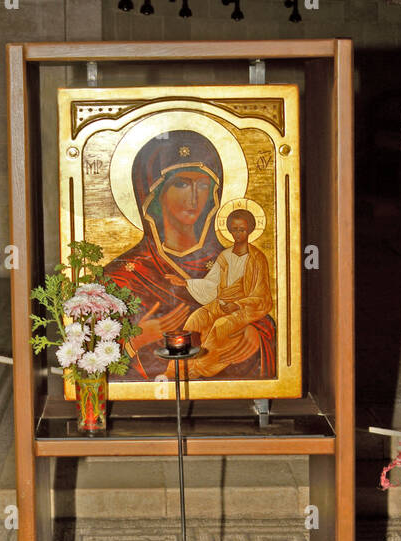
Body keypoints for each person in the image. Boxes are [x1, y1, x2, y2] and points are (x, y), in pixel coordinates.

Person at [105, 130, 227, 381]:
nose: (194, 198)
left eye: (203, 185)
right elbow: (94, 352)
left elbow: (263, 316)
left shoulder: (230, 262)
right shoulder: (124, 273)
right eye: (181, 183)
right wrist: (136, 339)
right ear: (153, 193)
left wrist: (256, 333)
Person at [182, 208, 276, 380]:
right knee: (196, 318)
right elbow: (213, 284)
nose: (238, 234)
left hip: (245, 307)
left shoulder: (257, 258)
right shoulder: (225, 256)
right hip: (222, 303)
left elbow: (261, 294)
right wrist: (186, 283)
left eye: (242, 230)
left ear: (250, 230)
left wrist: (238, 305)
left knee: (221, 325)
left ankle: (201, 369)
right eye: (234, 229)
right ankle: (184, 365)